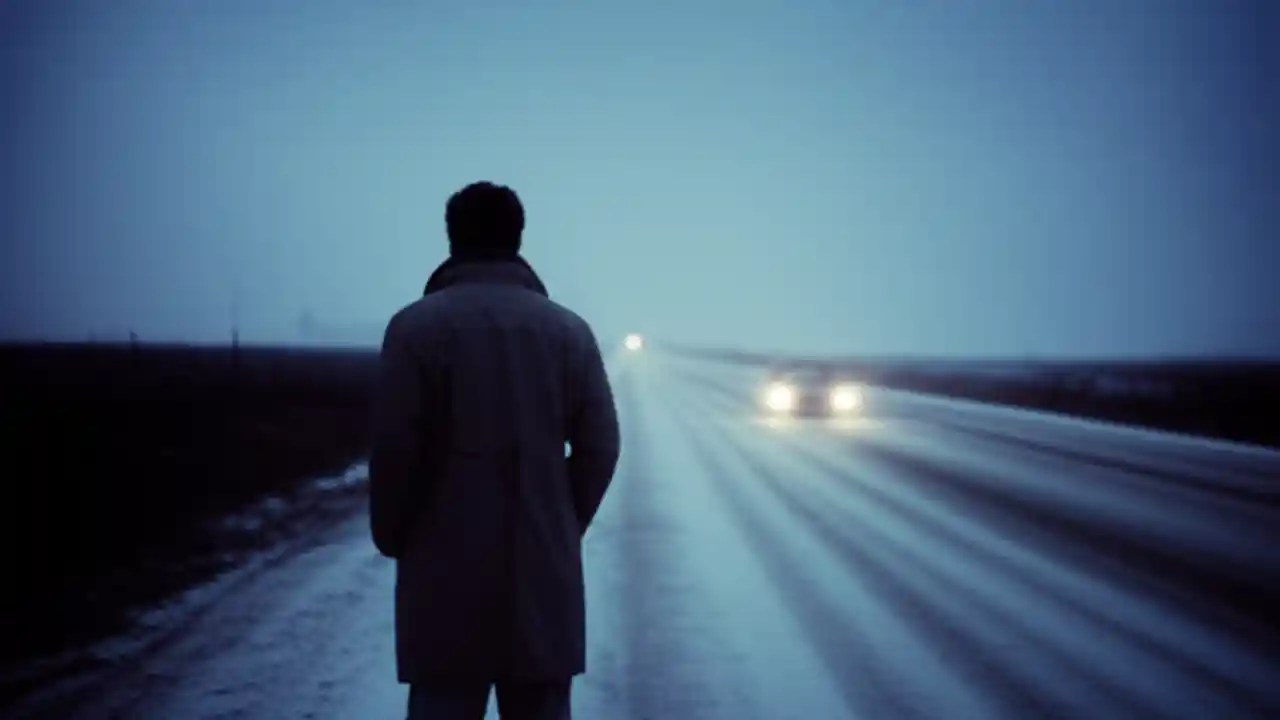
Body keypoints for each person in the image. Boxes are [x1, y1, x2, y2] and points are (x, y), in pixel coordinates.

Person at [369, 181, 621, 720]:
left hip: (441, 575)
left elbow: (393, 449)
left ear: (451, 236)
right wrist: (558, 522)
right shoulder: (569, 332)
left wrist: (395, 533)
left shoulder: (414, 328)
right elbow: (601, 445)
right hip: (540, 576)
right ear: (518, 236)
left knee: (442, 701)